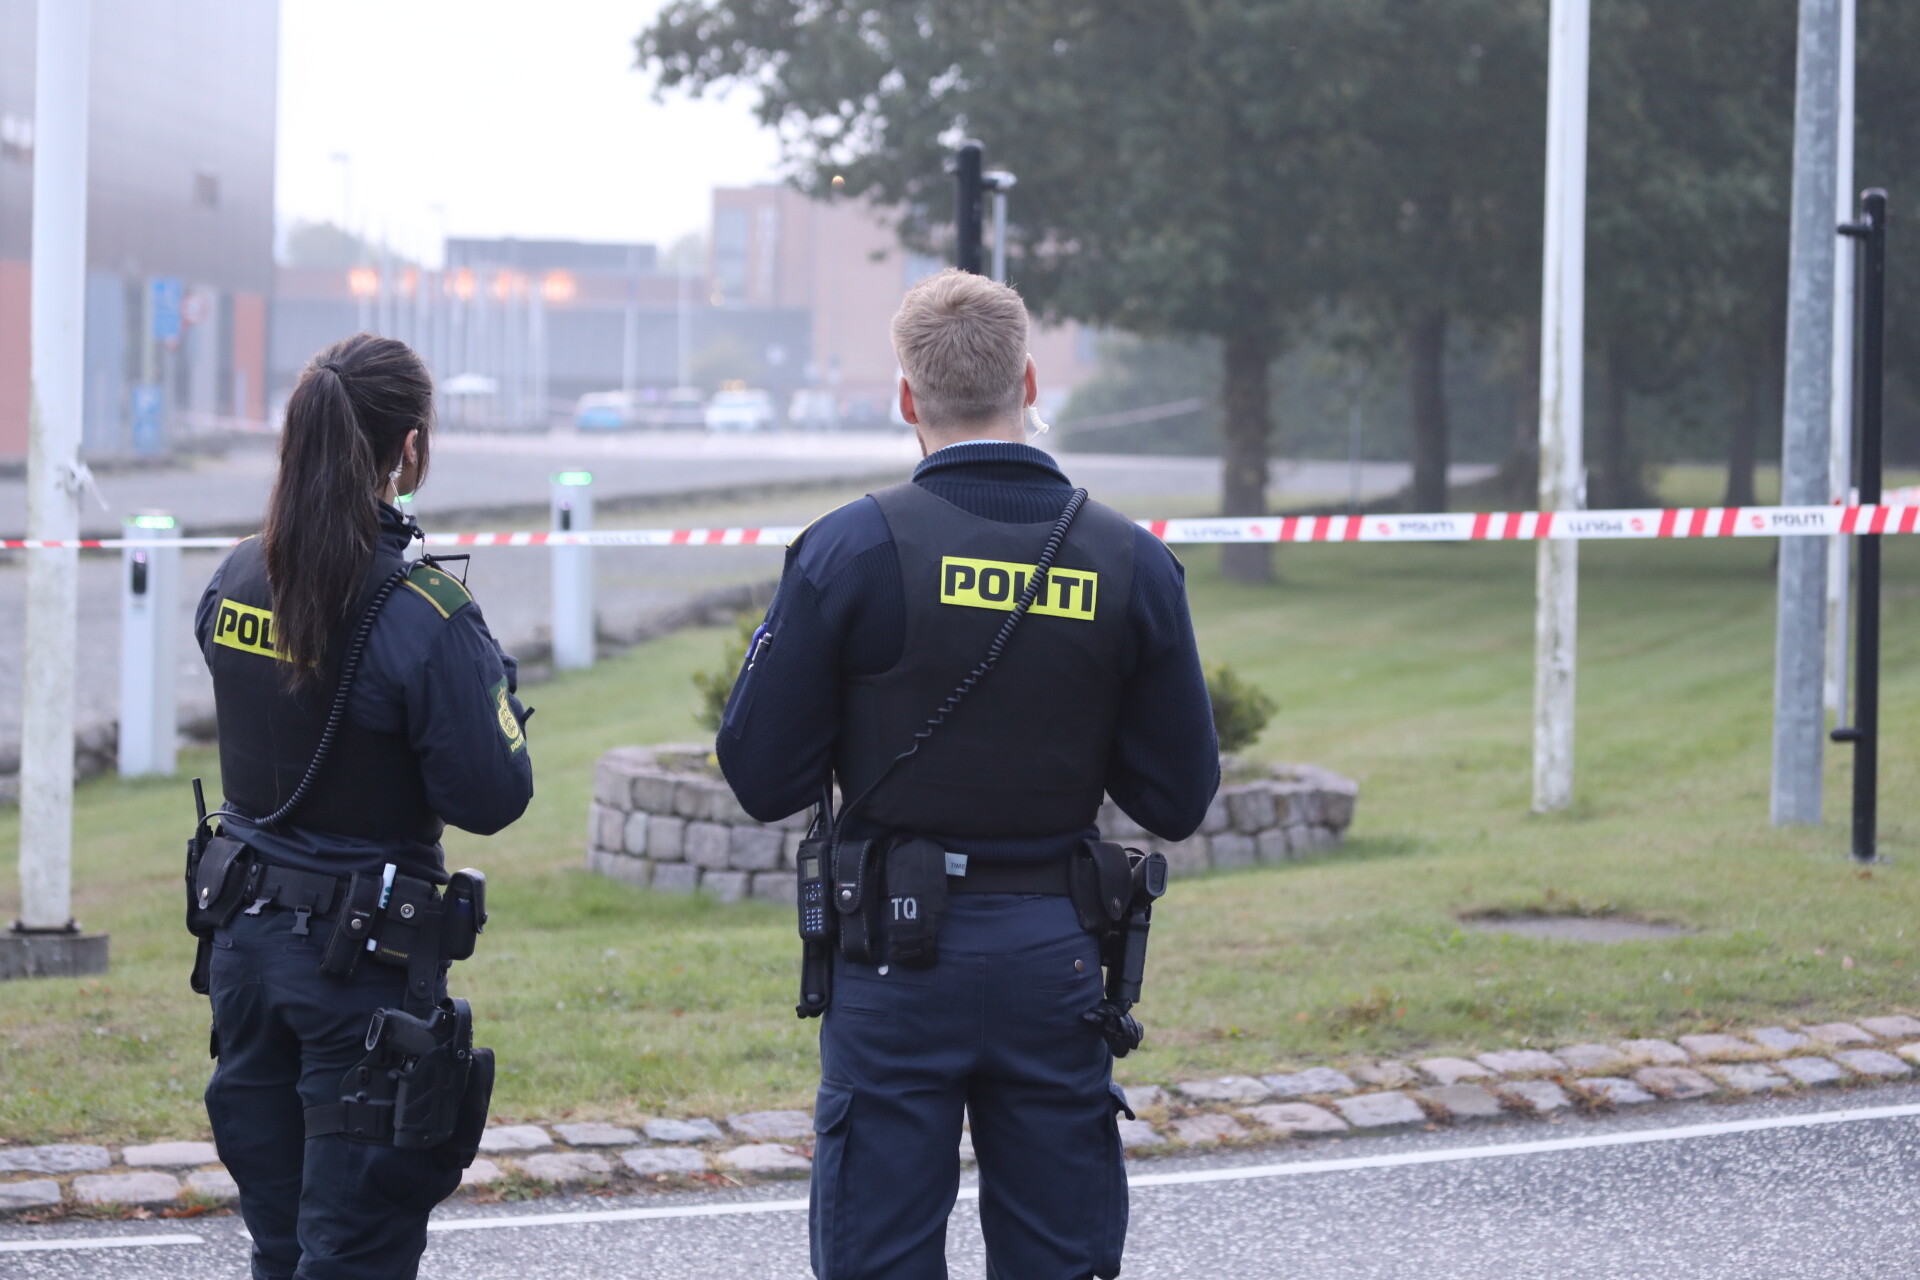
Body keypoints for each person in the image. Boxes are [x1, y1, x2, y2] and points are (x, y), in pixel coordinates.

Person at [718, 269, 1218, 1280]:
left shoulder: (850, 549)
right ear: (1028, 381)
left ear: (907, 397)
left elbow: (760, 772)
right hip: (1058, 955)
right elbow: (1177, 793)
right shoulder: (1130, 561)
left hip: (895, 962)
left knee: (879, 1255)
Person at [193, 334, 533, 1280]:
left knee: (284, 1244)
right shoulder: (427, 614)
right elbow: (494, 795)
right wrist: (487, 681)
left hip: (244, 953)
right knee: (354, 1251)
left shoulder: (234, 577)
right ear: (411, 450)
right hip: (358, 969)